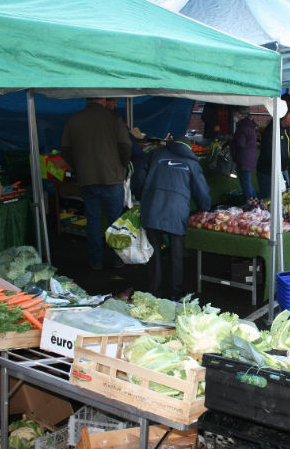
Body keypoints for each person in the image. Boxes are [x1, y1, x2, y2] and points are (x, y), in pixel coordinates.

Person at [133, 132, 211, 300]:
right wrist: (205, 208)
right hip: (177, 212)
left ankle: (155, 291)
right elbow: (201, 191)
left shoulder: (155, 154)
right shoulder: (191, 162)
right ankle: (175, 293)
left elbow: (138, 177)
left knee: (154, 252)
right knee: (176, 255)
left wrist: (141, 197)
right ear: (189, 147)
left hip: (153, 207)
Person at [62, 97, 132, 270]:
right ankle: (117, 259)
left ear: (86, 99)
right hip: (112, 176)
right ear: (102, 99)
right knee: (115, 220)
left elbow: (65, 150)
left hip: (87, 178)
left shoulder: (73, 119)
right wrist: (122, 166)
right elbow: (126, 145)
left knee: (92, 219)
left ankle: (96, 260)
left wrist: (78, 167)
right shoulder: (113, 118)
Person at [256, 101, 290, 199]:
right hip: (268, 174)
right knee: (269, 203)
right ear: (283, 115)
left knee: (283, 200)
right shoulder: (271, 131)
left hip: (283, 171)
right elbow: (270, 156)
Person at [231, 107, 259, 201]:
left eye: (235, 113)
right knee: (247, 182)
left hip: (244, 158)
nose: (234, 116)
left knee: (245, 182)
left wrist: (231, 140)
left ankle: (251, 203)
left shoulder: (242, 127)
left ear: (240, 114)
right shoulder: (250, 125)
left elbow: (241, 143)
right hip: (250, 157)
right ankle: (255, 201)